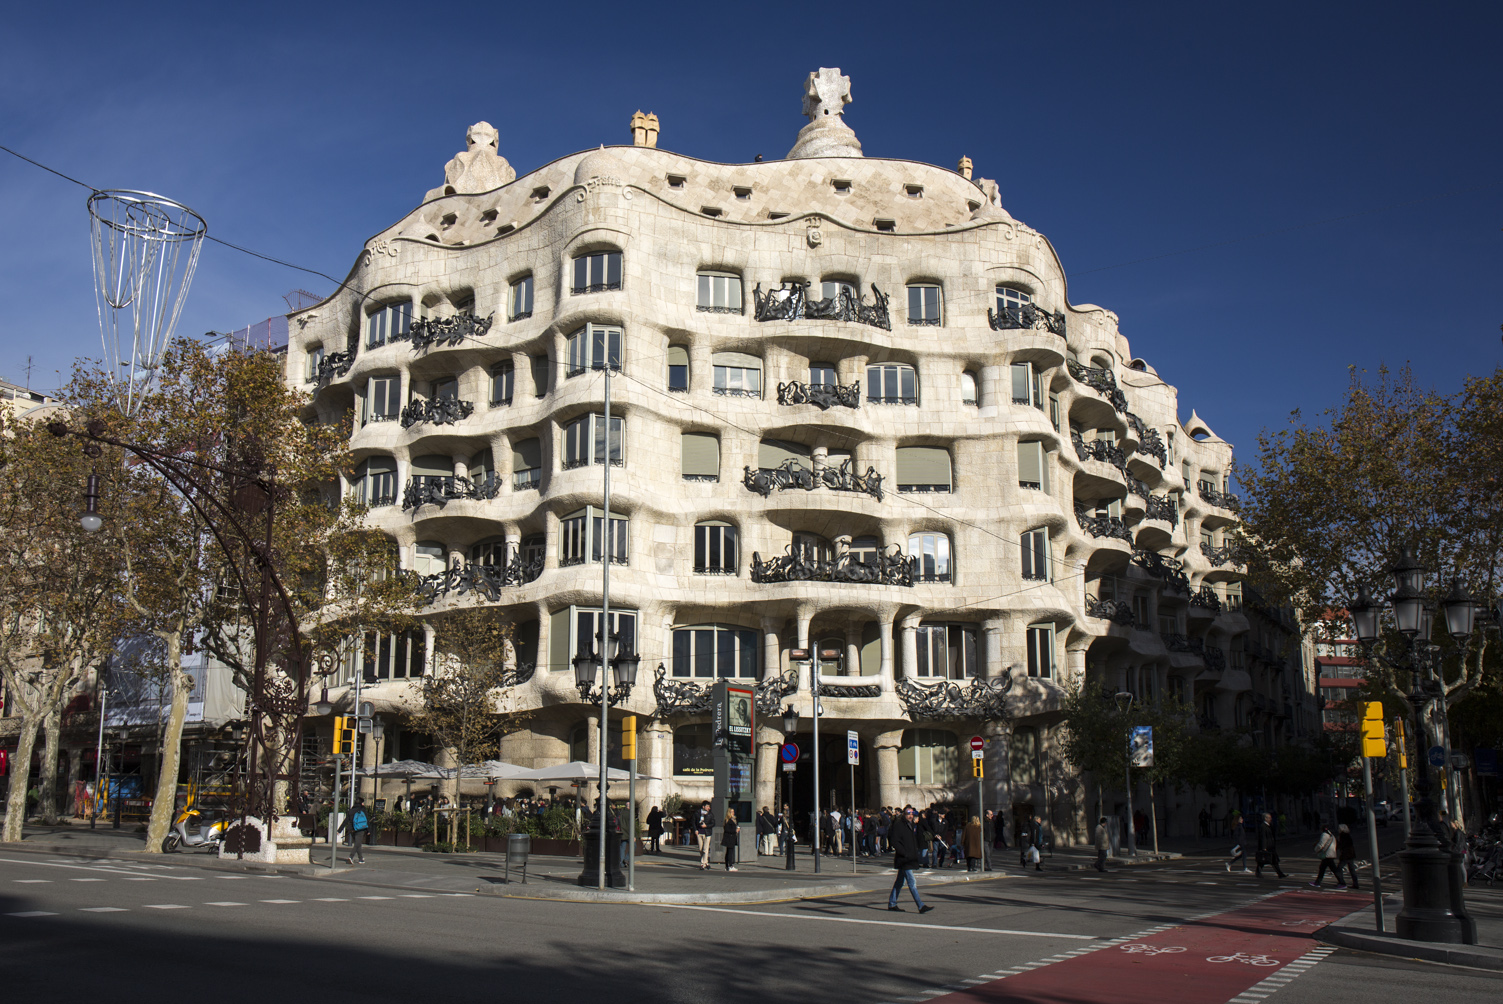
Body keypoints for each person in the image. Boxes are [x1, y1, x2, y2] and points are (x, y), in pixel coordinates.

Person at [888, 807, 934, 914]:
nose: (911, 815)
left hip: (909, 857)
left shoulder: (911, 825)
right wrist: (904, 853)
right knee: (912, 882)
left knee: (899, 882)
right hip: (904, 859)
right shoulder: (899, 825)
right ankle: (920, 905)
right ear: (904, 814)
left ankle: (892, 903)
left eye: (912, 813)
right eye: (908, 813)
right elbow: (894, 841)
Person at [1256, 811, 1287, 878]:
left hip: (1271, 846)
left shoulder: (1269, 826)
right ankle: (1258, 873)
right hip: (1267, 847)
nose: (1271, 819)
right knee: (1263, 861)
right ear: (1265, 818)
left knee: (1274, 861)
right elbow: (1263, 837)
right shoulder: (1263, 826)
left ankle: (1280, 874)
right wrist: (1264, 847)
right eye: (1269, 818)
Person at [340, 797, 370, 865]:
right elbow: (366, 820)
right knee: (357, 844)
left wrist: (339, 830)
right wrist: (368, 830)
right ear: (361, 803)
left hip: (352, 829)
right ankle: (350, 857)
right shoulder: (363, 809)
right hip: (360, 828)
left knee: (358, 843)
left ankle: (361, 858)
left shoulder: (351, 810)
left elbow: (346, 820)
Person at [1336, 823, 1359, 888]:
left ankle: (1342, 882)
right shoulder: (1348, 835)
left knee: (1338, 869)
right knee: (1352, 870)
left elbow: (1341, 845)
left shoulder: (1342, 836)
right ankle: (1355, 884)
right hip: (1351, 855)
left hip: (1346, 855)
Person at [696, 800, 717, 870]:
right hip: (699, 833)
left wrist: (706, 826)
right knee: (701, 849)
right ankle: (706, 862)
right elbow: (693, 821)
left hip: (707, 833)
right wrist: (695, 830)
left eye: (709, 806)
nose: (709, 808)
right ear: (703, 807)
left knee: (705, 849)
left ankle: (703, 864)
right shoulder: (698, 813)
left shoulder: (710, 814)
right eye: (707, 806)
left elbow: (713, 823)